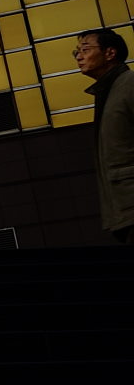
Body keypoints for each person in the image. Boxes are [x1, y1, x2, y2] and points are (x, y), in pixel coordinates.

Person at [76, 28, 134, 242]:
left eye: (85, 49)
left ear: (110, 53)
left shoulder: (129, 84)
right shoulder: (109, 91)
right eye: (77, 52)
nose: (79, 56)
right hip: (123, 212)